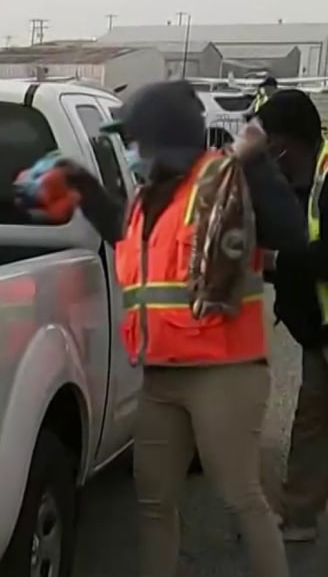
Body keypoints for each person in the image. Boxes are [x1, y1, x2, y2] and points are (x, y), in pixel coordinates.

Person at [52, 81, 303, 577]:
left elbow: (290, 232)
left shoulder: (222, 181)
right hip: (160, 376)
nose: (129, 151)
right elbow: (122, 233)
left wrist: (255, 162)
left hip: (224, 373)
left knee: (240, 497)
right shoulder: (146, 201)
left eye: (133, 140)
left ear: (161, 138)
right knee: (154, 500)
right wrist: (80, 186)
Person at [253, 89, 328, 542]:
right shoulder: (299, 181)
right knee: (312, 420)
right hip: (319, 329)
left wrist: (277, 261)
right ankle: (299, 516)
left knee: (314, 418)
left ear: (289, 143)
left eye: (271, 145)